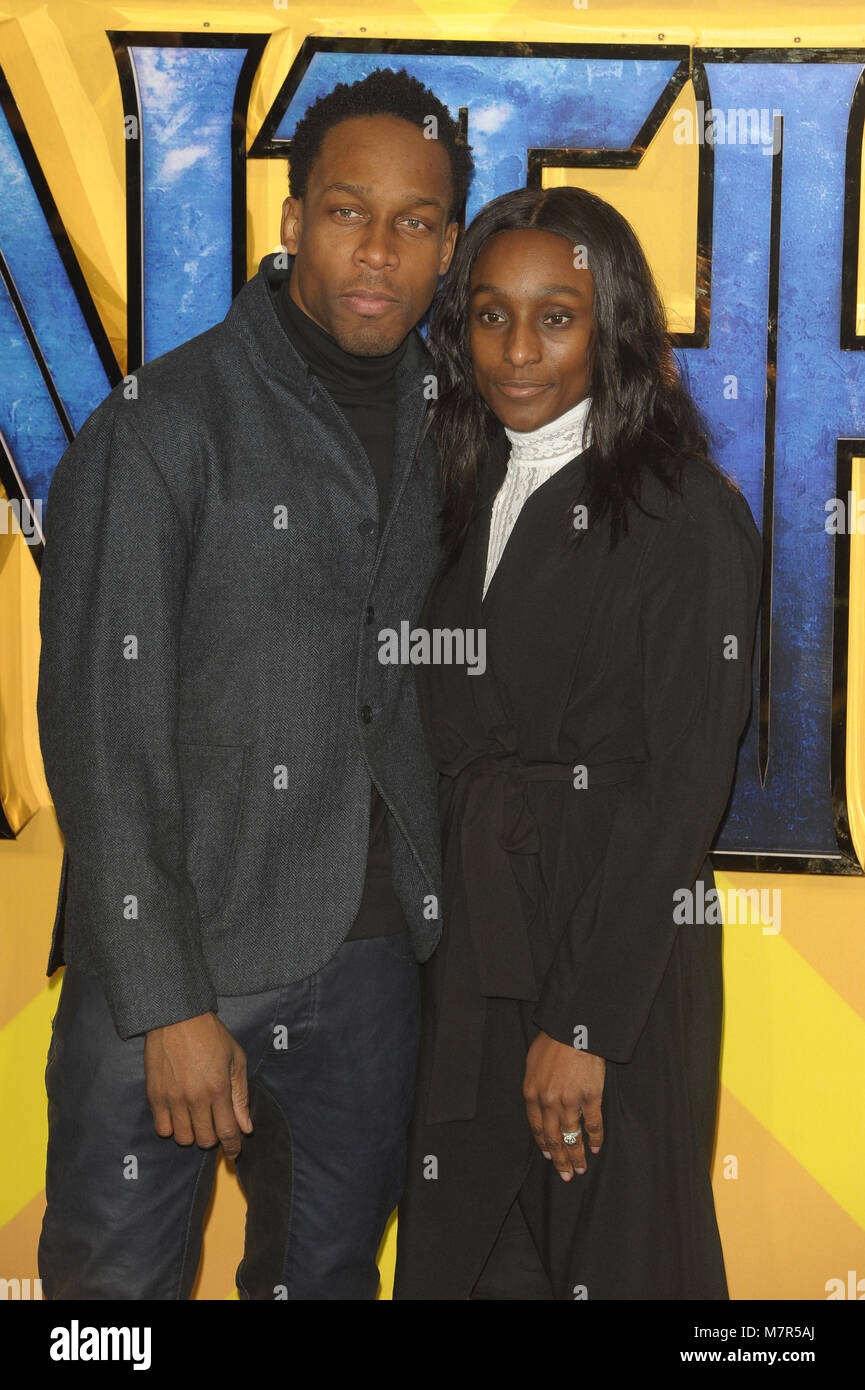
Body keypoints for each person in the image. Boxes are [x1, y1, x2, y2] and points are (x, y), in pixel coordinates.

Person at [36, 67, 472, 1300]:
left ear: (448, 245)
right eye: (347, 211)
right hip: (175, 966)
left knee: (325, 1283)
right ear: (290, 223)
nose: (380, 250)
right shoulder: (161, 424)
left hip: (376, 957)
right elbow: (97, 728)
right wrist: (170, 1003)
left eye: (418, 221)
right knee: (108, 1309)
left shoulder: (457, 421)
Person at [392, 185, 762, 1301]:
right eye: (490, 314)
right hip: (468, 960)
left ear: (614, 328)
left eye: (556, 316)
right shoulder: (451, 491)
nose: (517, 350)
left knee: (619, 1265)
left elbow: (681, 792)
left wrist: (582, 1022)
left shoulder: (683, 510)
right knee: (465, 1264)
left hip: (614, 969)